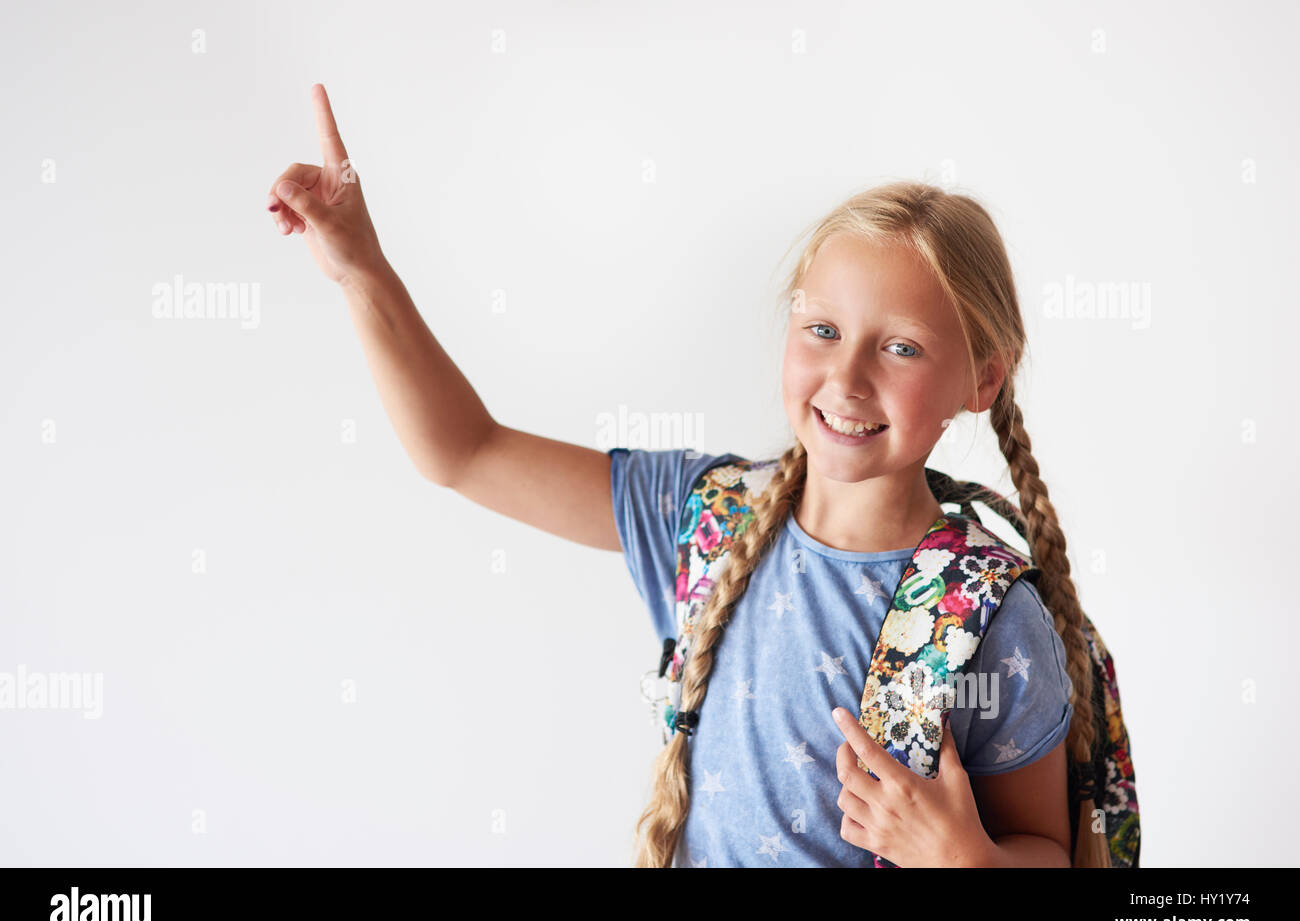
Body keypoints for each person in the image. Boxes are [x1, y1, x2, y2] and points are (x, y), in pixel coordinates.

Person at [267, 84, 1091, 868]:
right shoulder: (703, 518)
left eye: (901, 346)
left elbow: (1050, 850)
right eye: (823, 329)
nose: (846, 378)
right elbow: (463, 450)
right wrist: (360, 270)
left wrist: (964, 856)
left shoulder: (991, 616)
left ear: (982, 379)